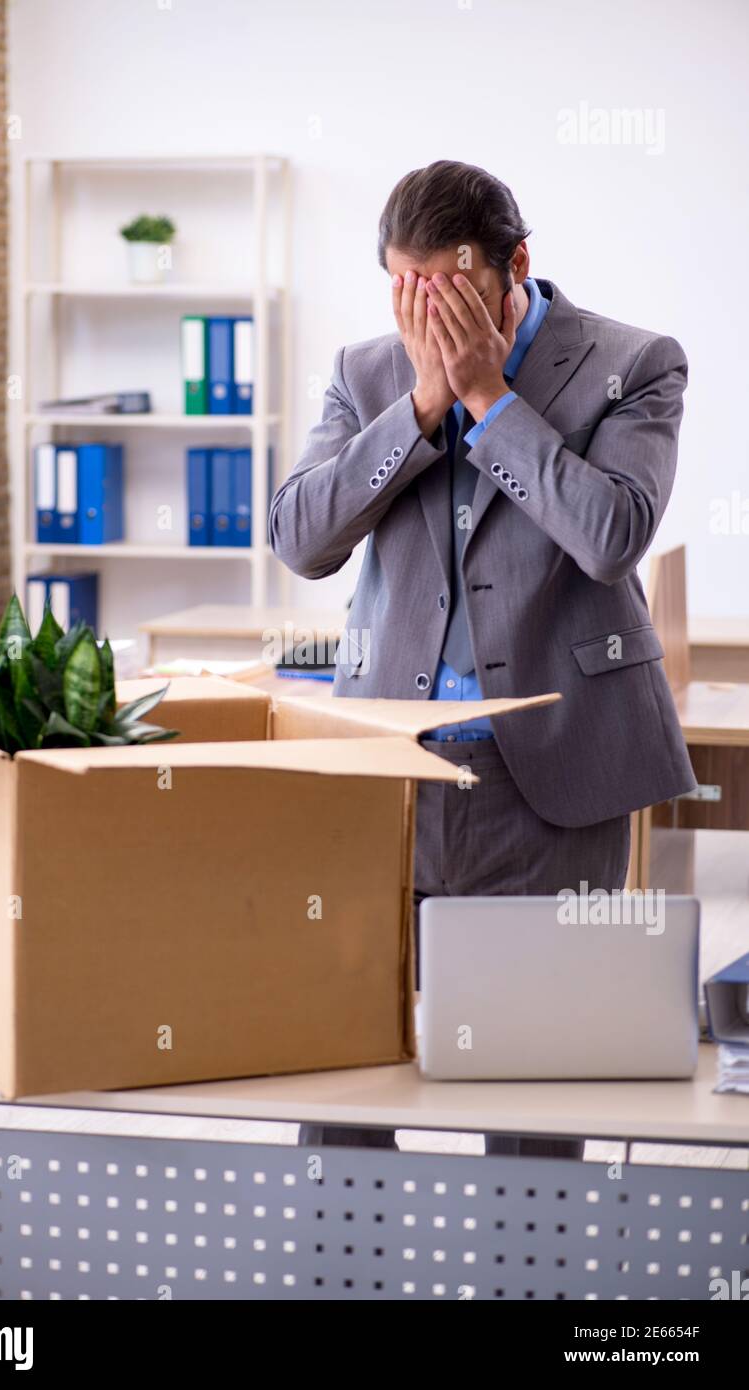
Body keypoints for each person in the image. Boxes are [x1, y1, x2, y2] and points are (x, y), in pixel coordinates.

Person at [270, 160, 695, 1157]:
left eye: (452, 293)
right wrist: (422, 406)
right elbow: (299, 538)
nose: (430, 317)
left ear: (518, 267)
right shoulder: (367, 371)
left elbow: (610, 534)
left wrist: (490, 398)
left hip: (552, 771)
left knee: (535, 1091)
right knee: (344, 1083)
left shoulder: (635, 365)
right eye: (407, 291)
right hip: (391, 776)